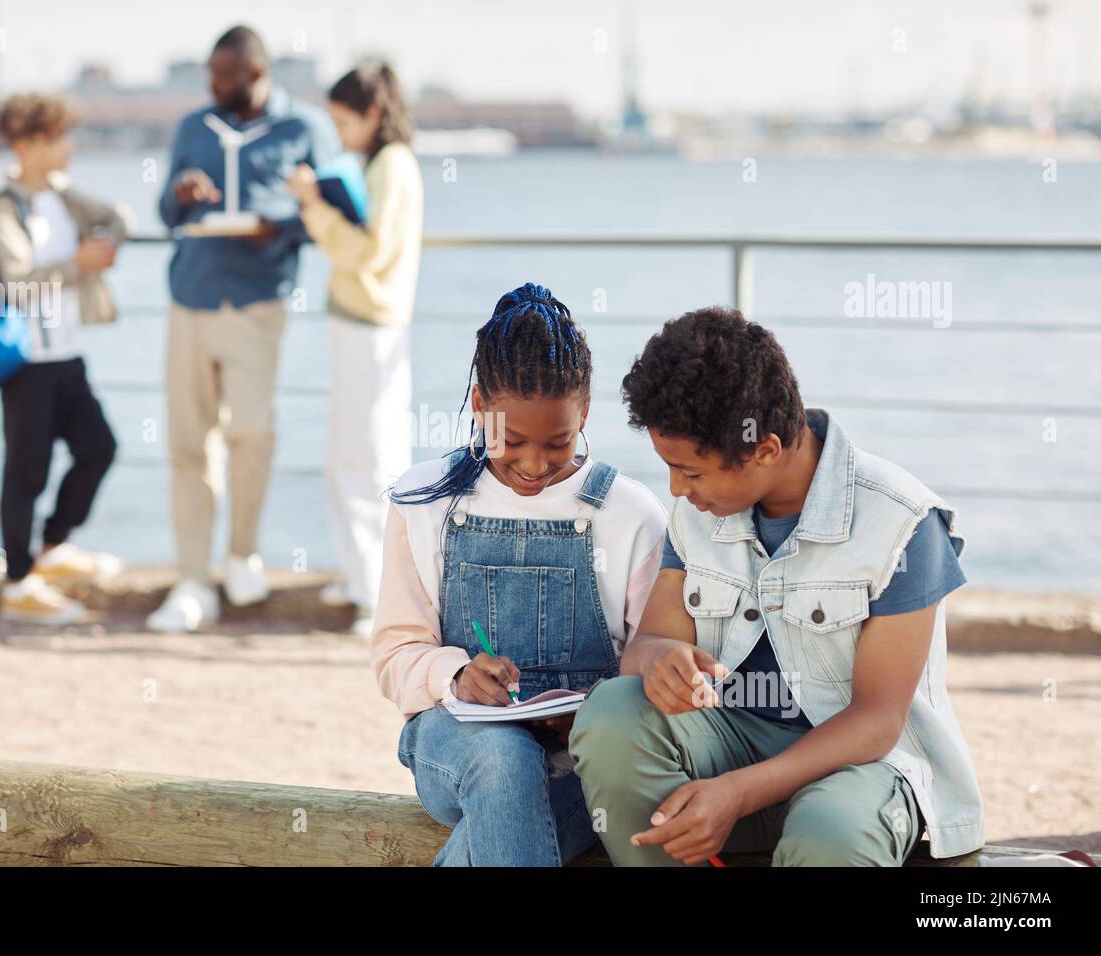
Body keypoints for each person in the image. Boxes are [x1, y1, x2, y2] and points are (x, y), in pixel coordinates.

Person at [568, 307, 984, 866]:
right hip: (732, 744)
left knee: (829, 833)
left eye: (691, 471)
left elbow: (877, 722)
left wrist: (738, 791)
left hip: (862, 768)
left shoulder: (901, 522)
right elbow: (645, 647)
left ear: (764, 449)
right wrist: (660, 658)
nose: (675, 489)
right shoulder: (700, 509)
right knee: (613, 713)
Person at [372, 283, 669, 865]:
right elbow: (394, 653)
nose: (534, 465)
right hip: (456, 748)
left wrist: (594, 712)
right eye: (512, 441)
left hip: (583, 762)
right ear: (479, 403)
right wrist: (454, 675)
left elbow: (655, 659)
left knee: (523, 801)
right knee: (505, 760)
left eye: (558, 443)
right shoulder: (423, 501)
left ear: (585, 409)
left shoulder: (632, 516)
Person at [148, 25, 342, 634]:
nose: (213, 86)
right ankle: (191, 580)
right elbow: (165, 215)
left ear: (257, 75)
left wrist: (277, 223)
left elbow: (335, 214)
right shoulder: (192, 128)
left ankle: (242, 555)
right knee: (187, 442)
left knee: (252, 432)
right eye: (210, 75)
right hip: (191, 298)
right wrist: (181, 195)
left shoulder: (305, 128)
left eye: (225, 76)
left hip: (257, 304)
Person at [286, 60, 423, 636]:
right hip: (367, 324)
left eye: (344, 121)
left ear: (372, 114)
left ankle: (375, 592)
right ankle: (363, 578)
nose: (339, 134)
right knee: (362, 454)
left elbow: (366, 252)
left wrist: (313, 207)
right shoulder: (387, 163)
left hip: (368, 324)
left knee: (362, 459)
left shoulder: (391, 165)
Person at [0, 93, 127, 626]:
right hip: (28, 362)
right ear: (26, 145)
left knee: (99, 448)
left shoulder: (65, 197)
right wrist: (79, 263)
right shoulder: (6, 207)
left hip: (69, 354)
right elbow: (16, 286)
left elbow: (116, 219)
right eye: (56, 138)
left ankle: (52, 547)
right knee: (26, 472)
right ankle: (17, 584)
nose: (68, 146)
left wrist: (106, 240)